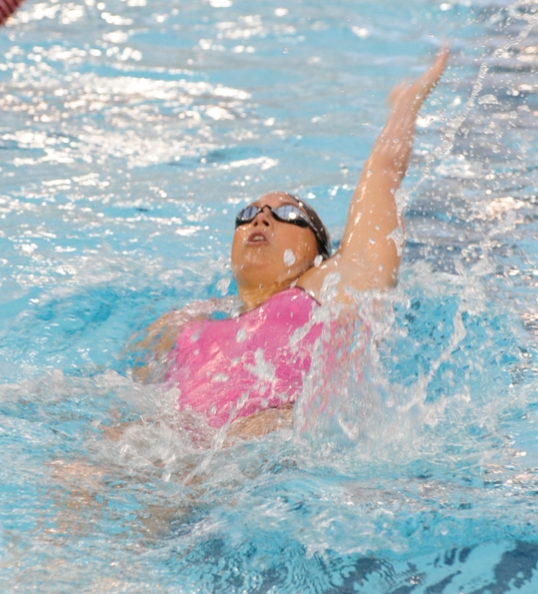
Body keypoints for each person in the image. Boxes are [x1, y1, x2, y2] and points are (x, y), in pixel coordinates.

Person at [129, 47, 452, 440]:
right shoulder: (183, 327)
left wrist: (405, 106)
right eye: (249, 212)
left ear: (319, 256)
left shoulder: (331, 291)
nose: (261, 218)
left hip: (267, 447)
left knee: (260, 427)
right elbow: (133, 397)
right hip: (178, 450)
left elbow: (382, 174)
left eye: (288, 215)